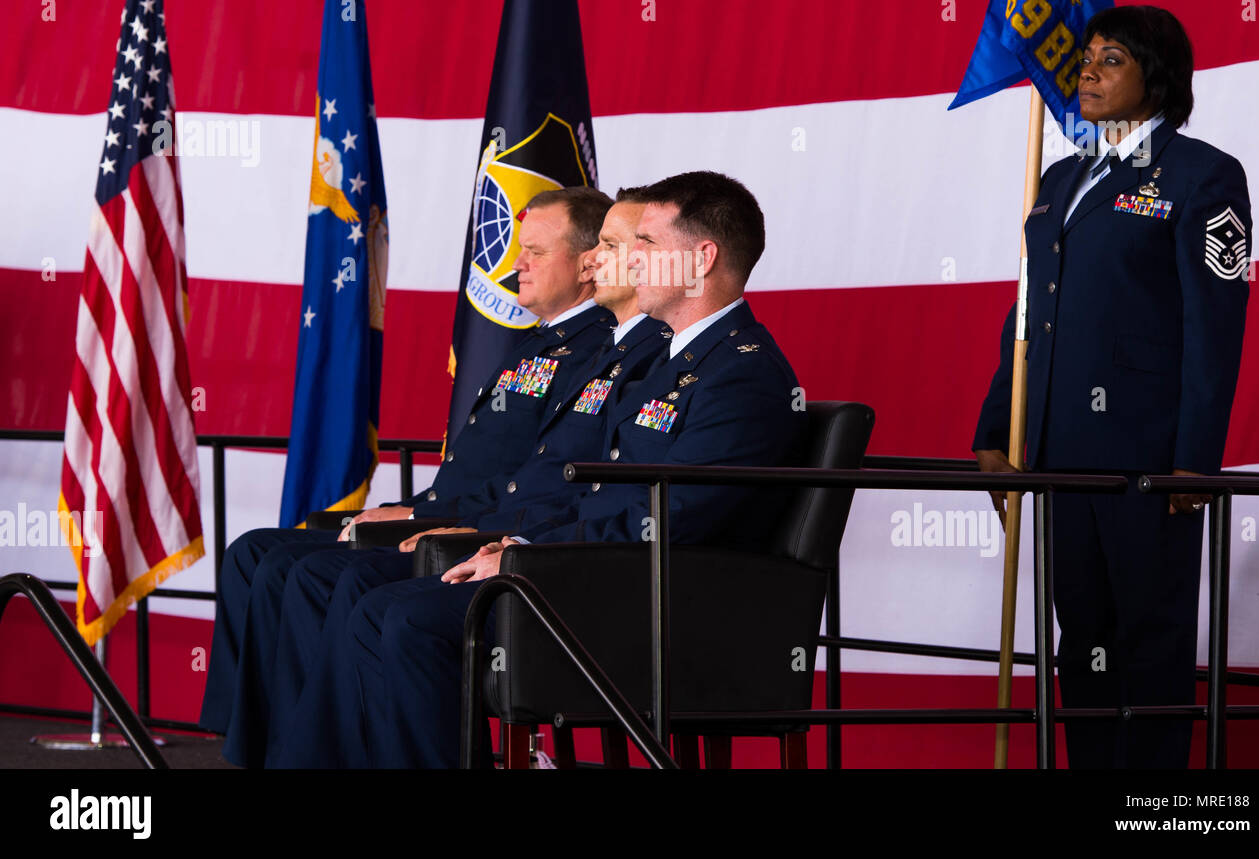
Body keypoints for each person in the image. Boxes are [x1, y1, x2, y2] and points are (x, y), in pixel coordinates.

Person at [271, 170, 808, 768]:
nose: (629, 262)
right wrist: (514, 541)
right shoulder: (663, 364)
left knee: (403, 619)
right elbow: (596, 499)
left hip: (653, 601)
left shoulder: (742, 374)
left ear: (701, 258)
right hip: (598, 574)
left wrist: (530, 556)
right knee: (384, 608)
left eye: (648, 245)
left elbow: (670, 522)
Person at [199, 186, 614, 764]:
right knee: (252, 553)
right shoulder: (537, 346)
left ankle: (298, 754)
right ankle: (258, 745)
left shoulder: (596, 352)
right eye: (518, 247)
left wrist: (436, 519)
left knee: (314, 575)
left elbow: (535, 481)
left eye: (536, 252)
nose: (514, 262)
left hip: (483, 531)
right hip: (455, 514)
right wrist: (419, 505)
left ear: (588, 264)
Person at [973, 5, 1251, 769]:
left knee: (1149, 641)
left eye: (1112, 58)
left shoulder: (1205, 176)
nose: (1087, 71)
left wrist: (1196, 455)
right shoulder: (1056, 179)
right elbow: (1027, 315)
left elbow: (1215, 325)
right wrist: (998, 429)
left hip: (1149, 457)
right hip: (1061, 452)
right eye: (1086, 56)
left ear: (1156, 80)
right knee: (1083, 641)